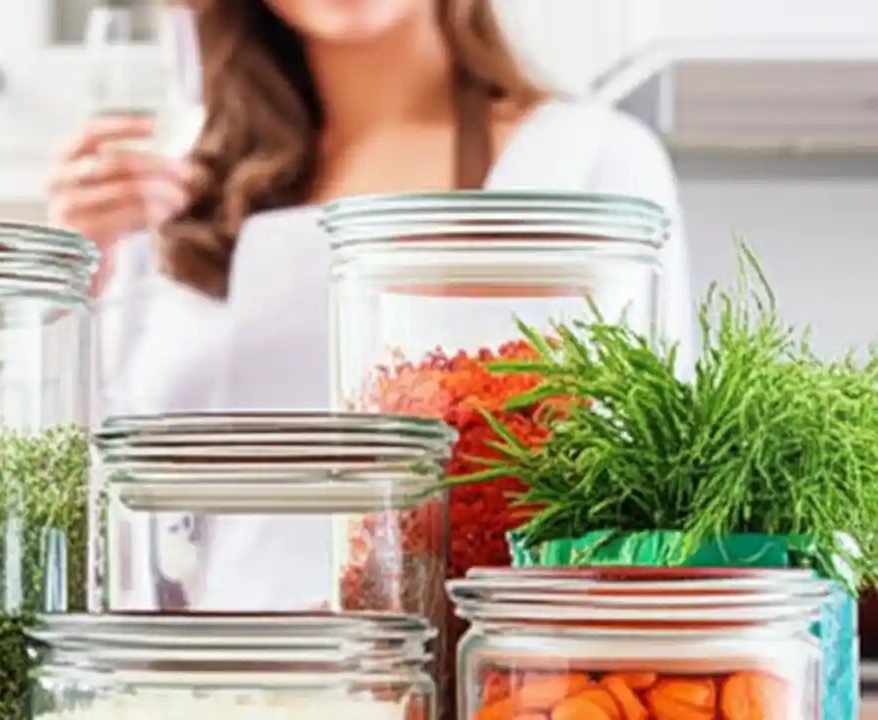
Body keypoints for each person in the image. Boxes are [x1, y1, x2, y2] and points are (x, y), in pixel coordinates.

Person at [49, 0, 691, 610]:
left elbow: (650, 489)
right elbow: (97, 493)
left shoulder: (586, 162)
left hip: (463, 672)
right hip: (217, 676)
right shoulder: (167, 190)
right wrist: (78, 275)